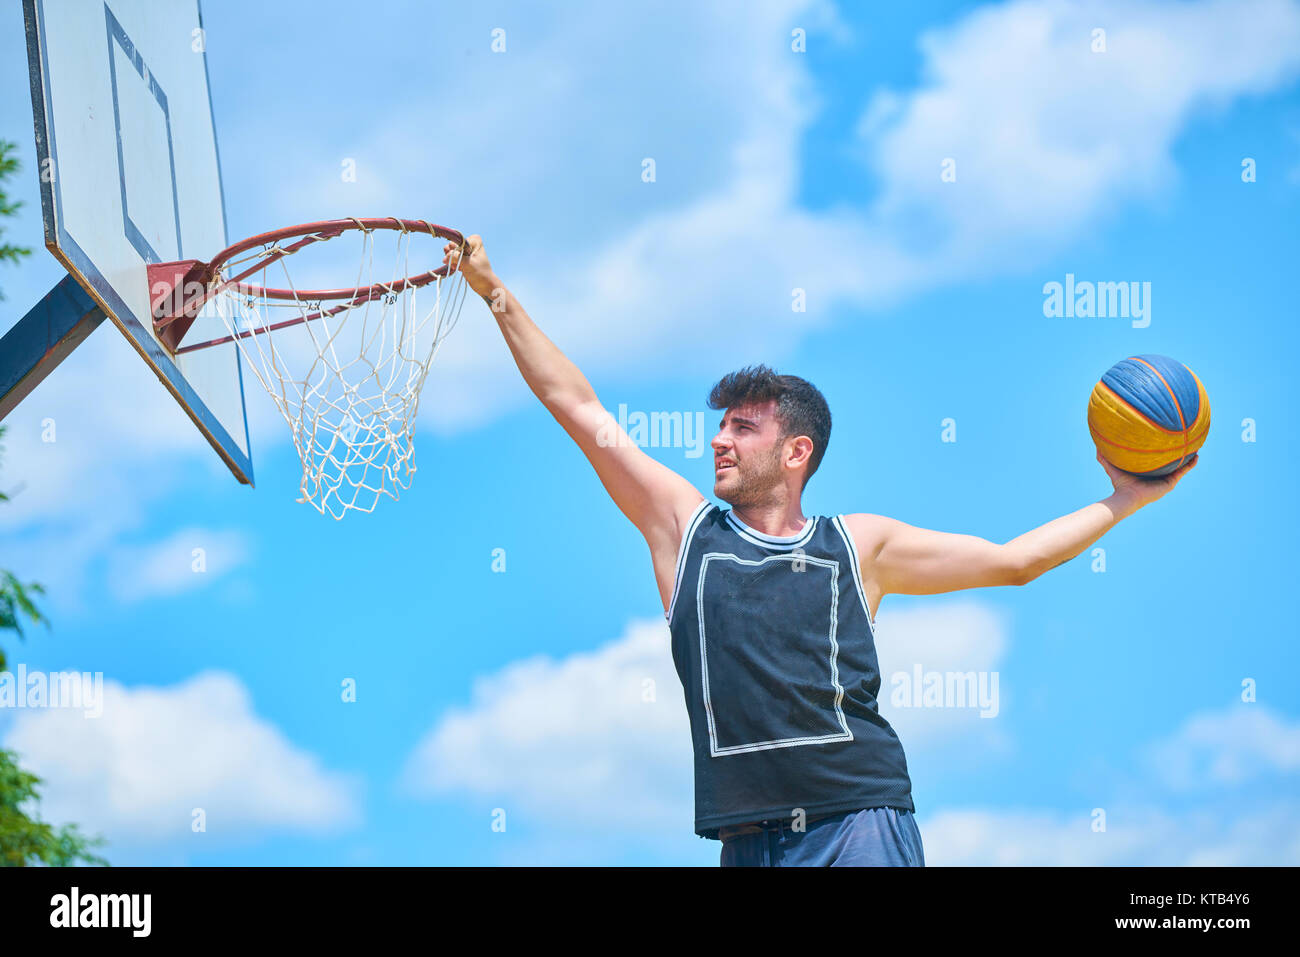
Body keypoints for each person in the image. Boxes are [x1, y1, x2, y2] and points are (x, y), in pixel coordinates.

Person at [443, 236, 1198, 867]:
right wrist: (493, 291)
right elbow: (578, 407)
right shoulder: (684, 530)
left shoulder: (858, 544)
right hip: (746, 841)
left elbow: (1014, 560)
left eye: (743, 427)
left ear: (796, 451)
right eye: (722, 425)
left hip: (857, 823)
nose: (719, 439)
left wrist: (1128, 498)